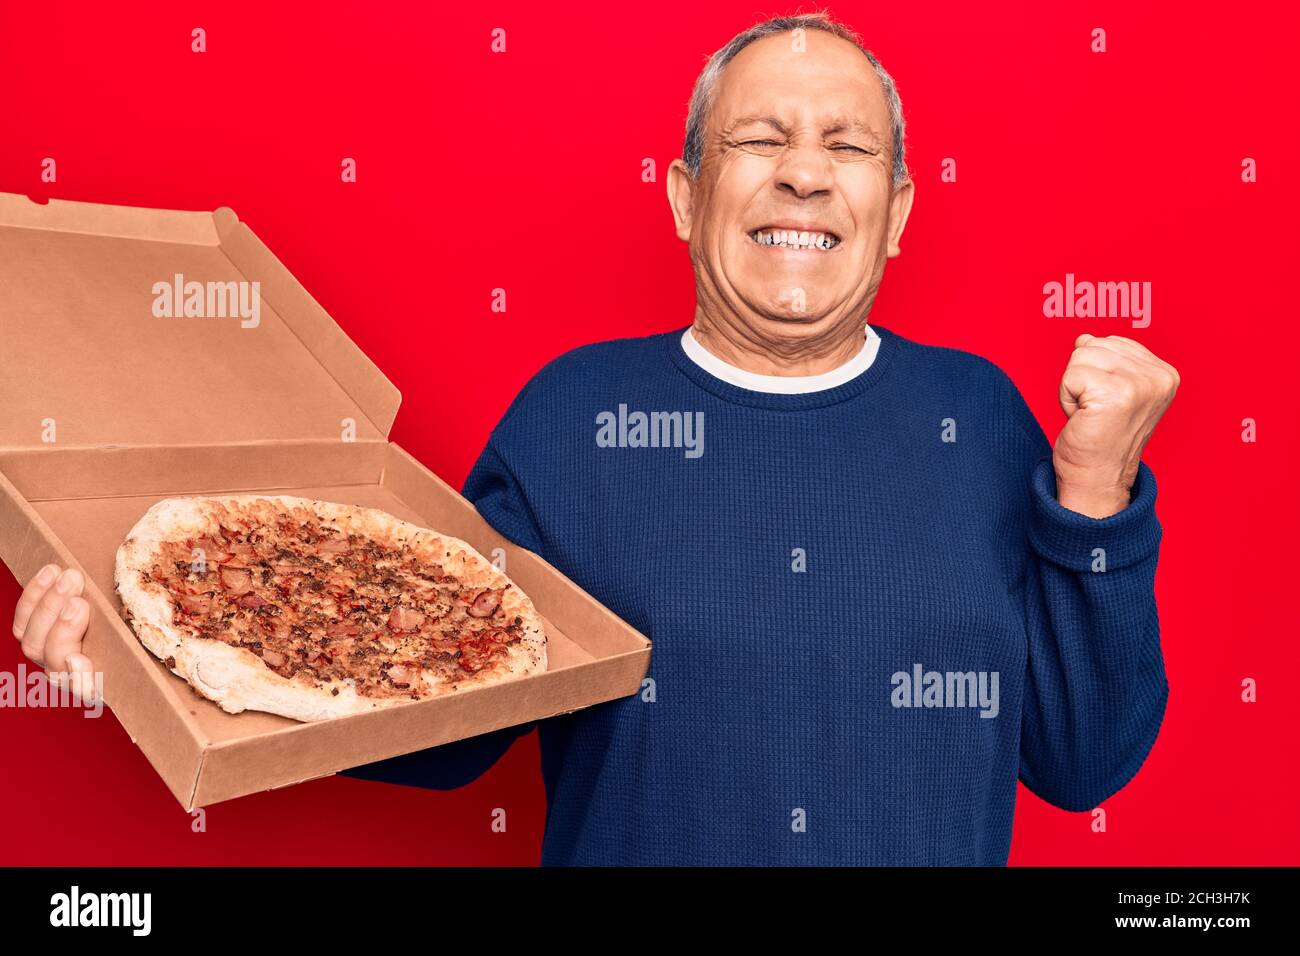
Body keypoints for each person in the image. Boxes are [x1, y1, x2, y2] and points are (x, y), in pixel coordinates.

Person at [11, 12, 1179, 865]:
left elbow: (1079, 764)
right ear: (682, 196)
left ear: (899, 208)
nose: (806, 175)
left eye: (850, 146)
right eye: (758, 139)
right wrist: (145, 664)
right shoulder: (577, 414)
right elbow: (451, 728)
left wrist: (1095, 491)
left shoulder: (976, 417)